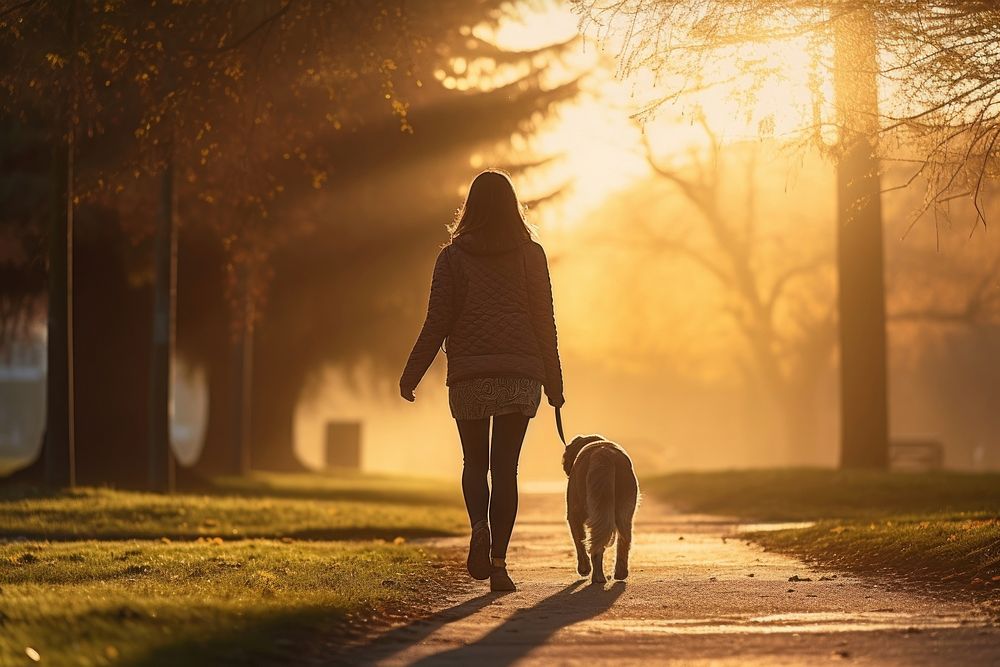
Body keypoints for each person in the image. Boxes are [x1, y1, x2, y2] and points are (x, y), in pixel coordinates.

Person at [399, 169, 564, 592]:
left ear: (470, 207)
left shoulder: (451, 258)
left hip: (470, 375)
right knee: (505, 468)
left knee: (475, 463)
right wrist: (555, 383)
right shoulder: (532, 255)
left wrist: (411, 373)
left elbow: (437, 322)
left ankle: (478, 525)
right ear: (513, 207)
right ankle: (499, 563)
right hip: (520, 373)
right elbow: (544, 320)